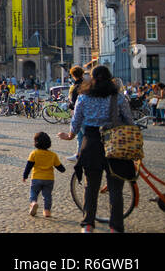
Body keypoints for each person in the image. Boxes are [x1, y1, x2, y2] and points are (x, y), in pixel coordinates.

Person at [58, 64, 137, 232]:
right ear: (110, 79)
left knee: (91, 187)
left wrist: (70, 135)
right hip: (115, 144)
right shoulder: (118, 97)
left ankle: (88, 224)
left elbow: (76, 121)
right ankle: (115, 227)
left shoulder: (83, 97)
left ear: (91, 79)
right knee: (116, 189)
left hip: (92, 143)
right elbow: (129, 121)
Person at [23, 131, 66, 218]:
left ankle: (33, 203)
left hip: (36, 178)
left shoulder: (34, 153)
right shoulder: (53, 155)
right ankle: (47, 211)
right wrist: (63, 169)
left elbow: (28, 166)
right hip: (49, 179)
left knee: (33, 192)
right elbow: (60, 168)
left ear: (36, 143)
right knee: (47, 195)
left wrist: (25, 176)